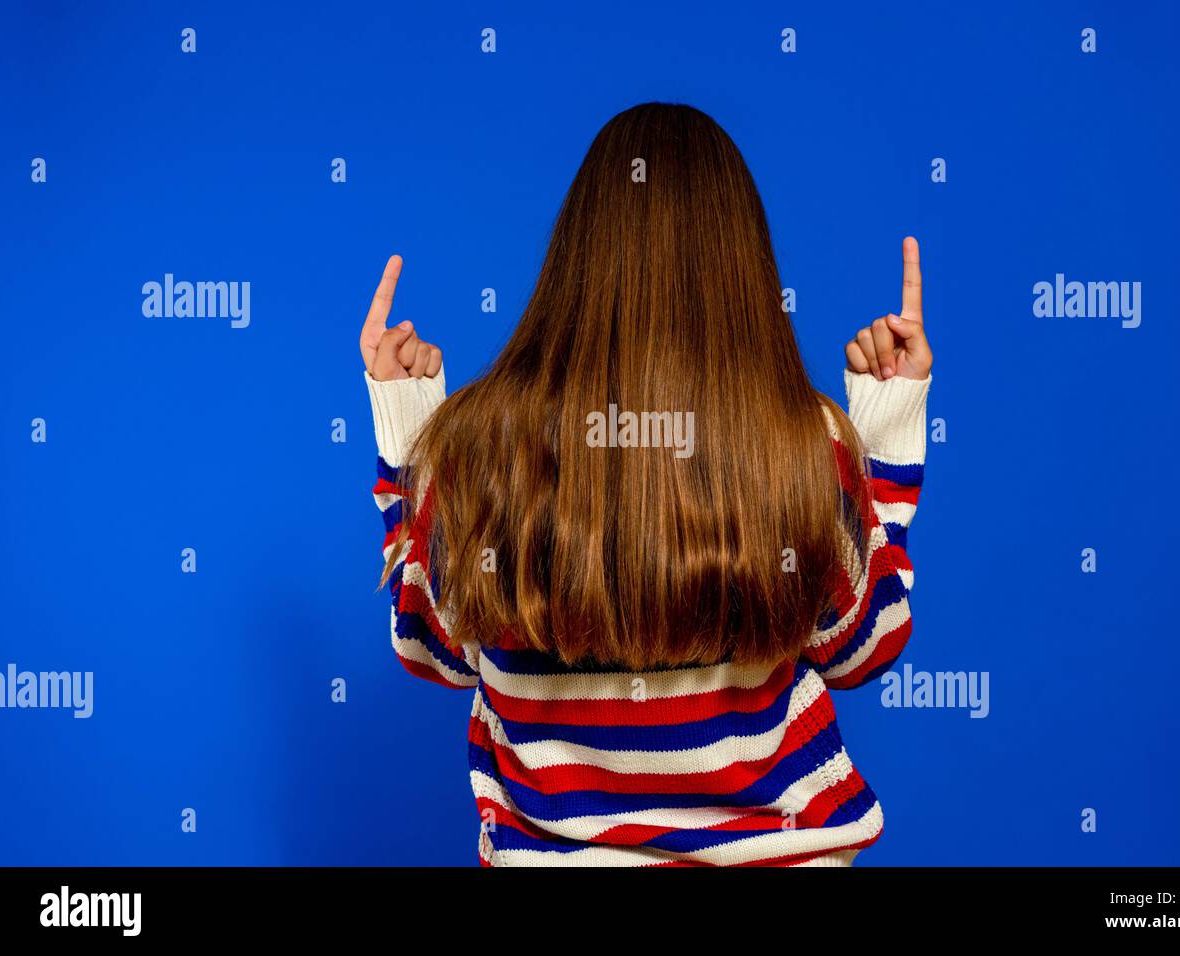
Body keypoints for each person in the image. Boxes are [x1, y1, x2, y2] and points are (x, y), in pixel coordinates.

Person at [359, 102, 934, 866]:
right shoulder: (804, 442)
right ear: (742, 262)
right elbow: (865, 647)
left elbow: (431, 644)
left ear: (578, 248)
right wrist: (885, 437)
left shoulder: (479, 449)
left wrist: (412, 444)